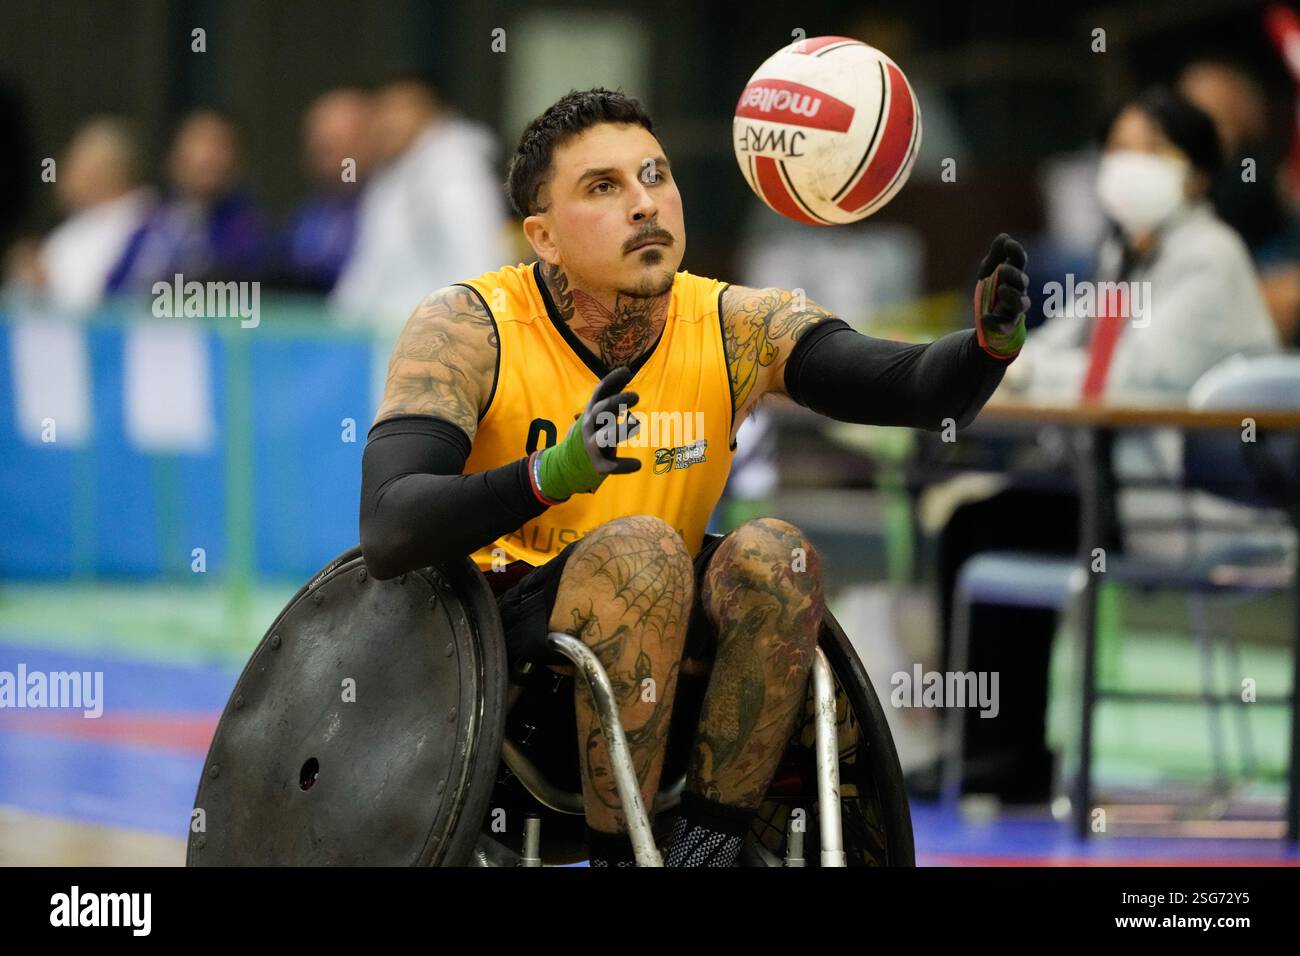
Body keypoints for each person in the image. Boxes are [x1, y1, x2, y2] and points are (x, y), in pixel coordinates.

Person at [358, 88, 1030, 866]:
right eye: (604, 187)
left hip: (666, 668)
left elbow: (912, 385)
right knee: (641, 551)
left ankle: (703, 851)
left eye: (655, 176)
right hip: (495, 668)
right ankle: (624, 858)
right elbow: (390, 527)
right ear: (542, 234)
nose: (644, 204)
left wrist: (985, 345)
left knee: (778, 555)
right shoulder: (468, 324)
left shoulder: (734, 324)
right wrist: (553, 472)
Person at [929, 88, 1279, 803]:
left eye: (1152, 151)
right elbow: (1067, 344)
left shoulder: (1210, 258)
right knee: (976, 524)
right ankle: (993, 749)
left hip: (1189, 505)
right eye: (1119, 148)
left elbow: (1127, 379)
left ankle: (1008, 756)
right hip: (1115, 490)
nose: (1128, 166)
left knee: (997, 525)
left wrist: (1017, 365)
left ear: (1199, 172)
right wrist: (999, 353)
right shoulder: (1125, 253)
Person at [331, 73, 508, 329]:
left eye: (399, 110)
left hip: (436, 347)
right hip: (387, 342)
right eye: (382, 111)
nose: (387, 122)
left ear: (430, 112)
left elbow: (478, 263)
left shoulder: (458, 172)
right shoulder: (392, 177)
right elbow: (370, 270)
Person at [107, 109, 267, 291]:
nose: (207, 157)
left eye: (220, 145)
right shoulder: (150, 220)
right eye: (198, 142)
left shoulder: (244, 229)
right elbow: (113, 290)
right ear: (172, 154)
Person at [28, 117, 154, 311]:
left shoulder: (147, 226)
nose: (61, 176)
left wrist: (46, 284)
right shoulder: (73, 229)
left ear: (106, 172)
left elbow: (111, 301)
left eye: (74, 165)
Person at [272, 87, 372, 292]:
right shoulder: (307, 212)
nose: (322, 150)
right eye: (317, 139)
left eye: (338, 141)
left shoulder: (385, 209)